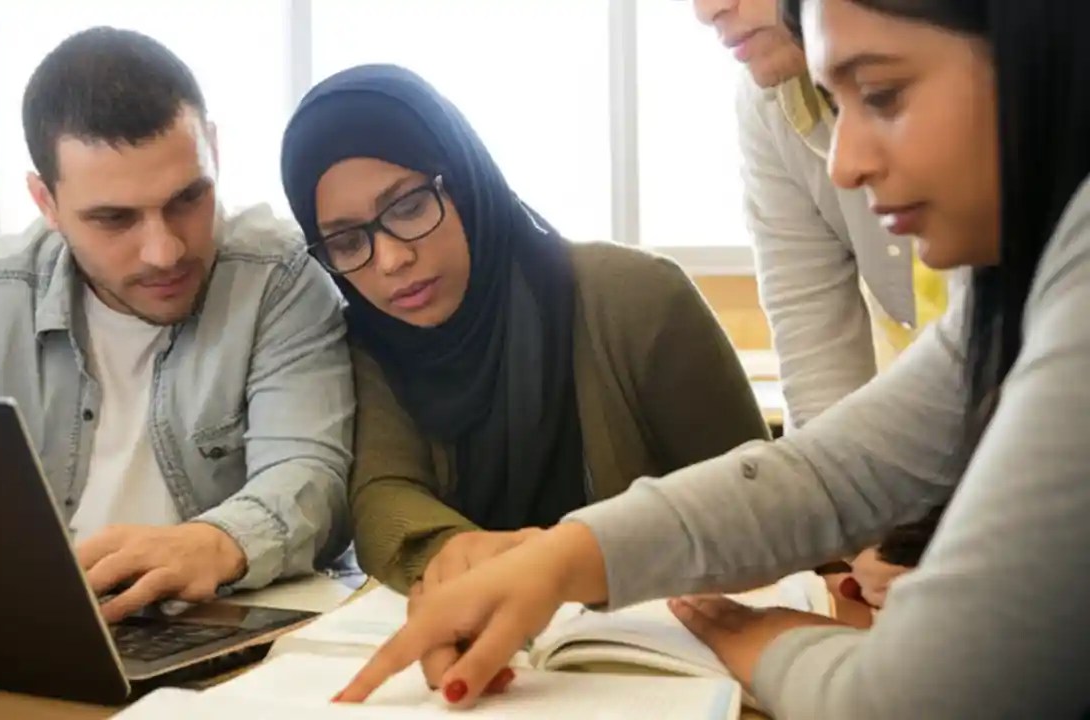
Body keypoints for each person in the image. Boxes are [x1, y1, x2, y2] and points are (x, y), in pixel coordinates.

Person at [335, 1, 1090, 716]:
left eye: (884, 95)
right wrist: (565, 557)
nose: (844, 166)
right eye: (833, 104)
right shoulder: (1020, 283)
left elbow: (919, 699)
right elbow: (834, 470)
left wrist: (762, 640)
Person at [0, 28, 354, 623]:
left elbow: (312, 477)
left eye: (189, 198)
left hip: (223, 623)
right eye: (114, 219)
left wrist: (219, 543)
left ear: (213, 148)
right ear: (46, 203)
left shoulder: (277, 278)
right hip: (33, 625)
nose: (164, 251)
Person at [279, 64, 769, 597]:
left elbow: (762, 503)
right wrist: (460, 556)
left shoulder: (639, 299)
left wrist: (561, 567)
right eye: (348, 242)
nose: (392, 259)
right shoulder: (373, 339)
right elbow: (382, 492)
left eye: (409, 206)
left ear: (464, 182)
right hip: (489, 652)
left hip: (674, 639)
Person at [695, 0, 951, 608]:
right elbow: (819, 359)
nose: (707, 11)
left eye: (885, 97)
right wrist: (857, 532)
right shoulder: (767, 101)